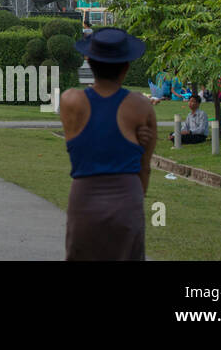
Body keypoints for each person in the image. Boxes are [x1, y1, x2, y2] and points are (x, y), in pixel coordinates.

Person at [59, 27, 156, 261]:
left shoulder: (70, 100)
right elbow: (144, 167)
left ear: (90, 62)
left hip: (84, 199)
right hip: (127, 198)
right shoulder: (141, 107)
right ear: (126, 66)